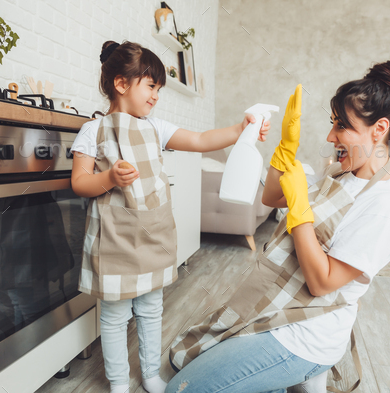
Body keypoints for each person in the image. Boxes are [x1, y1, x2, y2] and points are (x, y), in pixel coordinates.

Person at [166, 59, 390, 393]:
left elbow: (321, 282)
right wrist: (284, 151)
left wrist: (300, 210)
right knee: (180, 363)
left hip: (308, 335)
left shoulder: (386, 205)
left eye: (341, 125)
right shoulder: (338, 174)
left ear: (379, 129)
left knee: (182, 390)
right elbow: (271, 197)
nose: (330, 136)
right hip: (275, 308)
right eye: (332, 123)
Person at [70, 40, 271, 393]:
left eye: (159, 88)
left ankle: (149, 374)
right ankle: (118, 382)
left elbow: (200, 139)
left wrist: (240, 131)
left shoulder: (156, 128)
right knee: (115, 317)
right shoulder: (93, 131)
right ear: (121, 84)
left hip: (153, 236)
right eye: (151, 86)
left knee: (150, 309)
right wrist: (110, 178)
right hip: (115, 240)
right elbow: (80, 183)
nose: (156, 96)